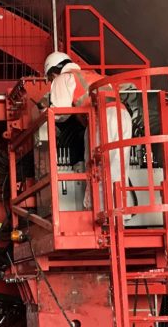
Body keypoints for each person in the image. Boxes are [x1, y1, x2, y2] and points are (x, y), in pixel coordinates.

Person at [44, 51, 132, 211]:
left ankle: (98, 212)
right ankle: (119, 216)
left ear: (54, 72)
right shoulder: (92, 75)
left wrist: (46, 113)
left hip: (101, 118)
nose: (51, 81)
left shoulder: (62, 78)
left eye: (50, 78)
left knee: (97, 168)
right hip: (122, 115)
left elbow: (61, 112)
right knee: (117, 169)